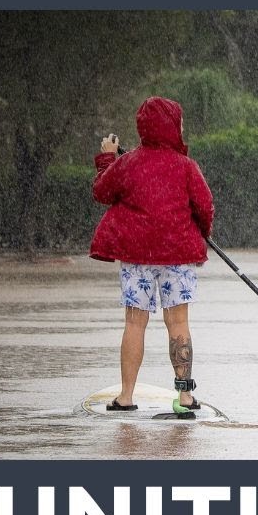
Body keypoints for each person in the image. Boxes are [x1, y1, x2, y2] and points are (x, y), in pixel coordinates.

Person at [90, 96, 214, 415]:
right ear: (173, 126)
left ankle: (126, 396)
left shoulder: (128, 163)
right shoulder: (186, 167)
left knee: (135, 323)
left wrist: (107, 159)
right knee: (179, 323)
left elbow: (102, 191)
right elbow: (205, 206)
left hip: (138, 255)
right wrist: (201, 231)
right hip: (177, 255)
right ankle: (185, 398)